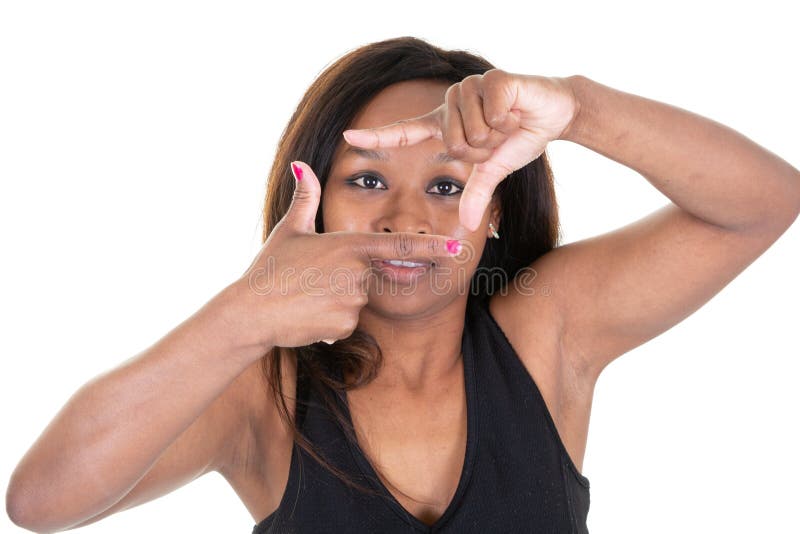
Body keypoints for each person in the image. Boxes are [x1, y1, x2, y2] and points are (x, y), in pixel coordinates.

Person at [6, 36, 799, 534]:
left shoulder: (547, 330)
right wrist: (243, 312)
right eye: (368, 179)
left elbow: (764, 203)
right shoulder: (261, 389)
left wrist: (579, 110)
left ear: (495, 216)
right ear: (311, 202)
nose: (405, 219)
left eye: (448, 187)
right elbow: (41, 504)